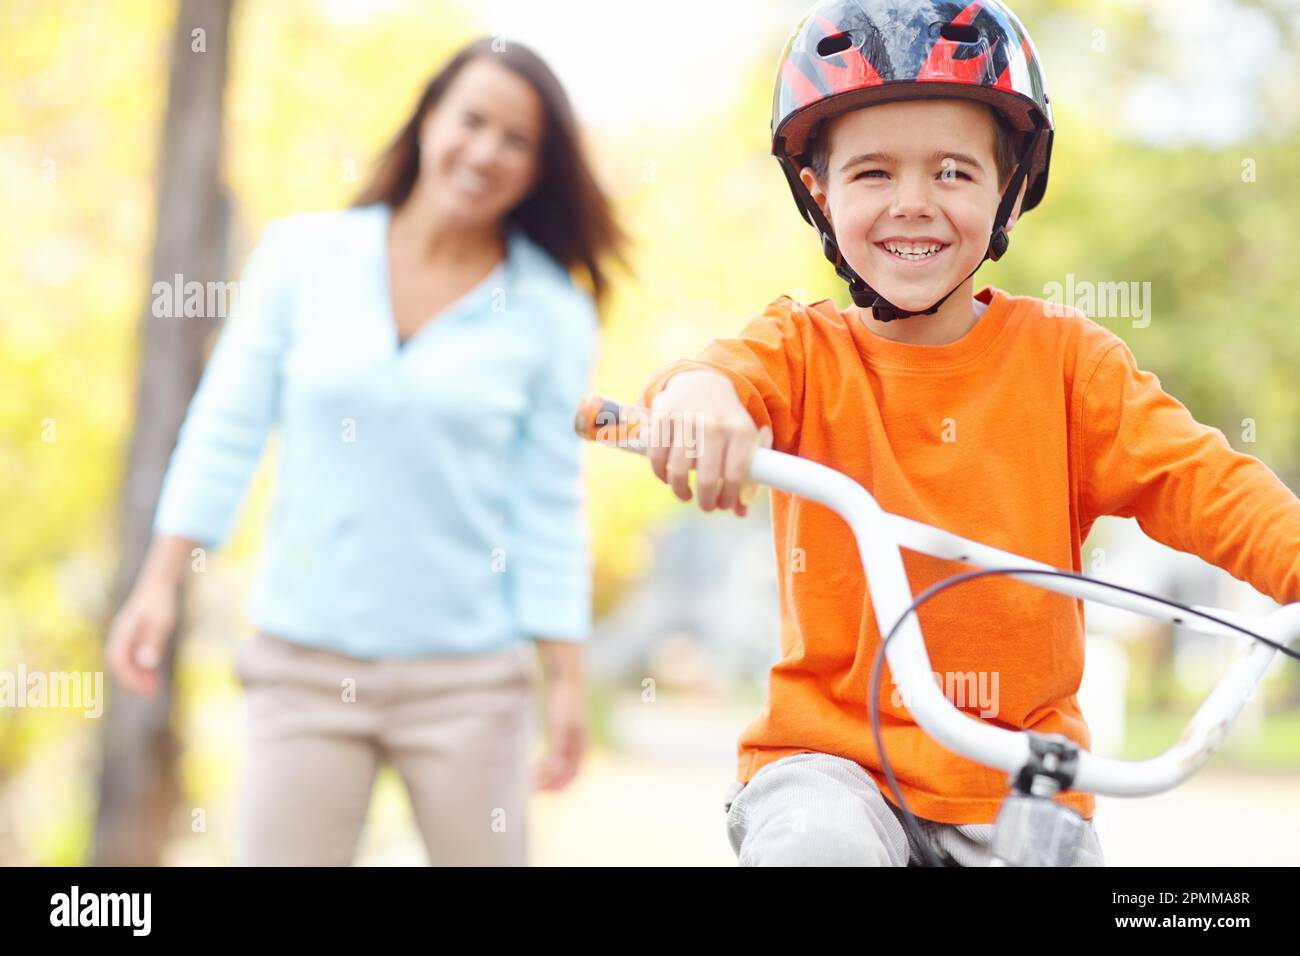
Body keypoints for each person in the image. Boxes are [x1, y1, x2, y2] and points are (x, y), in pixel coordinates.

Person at [639, 0, 1300, 866]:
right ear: (819, 192)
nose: (913, 204)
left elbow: (1204, 482)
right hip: (831, 764)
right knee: (817, 849)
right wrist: (698, 397)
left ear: (1011, 190)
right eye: (872, 173)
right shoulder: (802, 352)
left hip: (1019, 781)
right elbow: (711, 379)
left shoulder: (1070, 366)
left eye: (954, 172)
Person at [107, 36, 627, 866]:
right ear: (428, 120)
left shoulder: (549, 312)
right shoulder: (301, 256)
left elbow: (548, 505)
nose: (486, 151)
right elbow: (225, 426)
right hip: (303, 668)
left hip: (468, 684)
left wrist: (565, 679)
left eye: (517, 140)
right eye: (473, 121)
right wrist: (160, 584)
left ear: (539, 167)